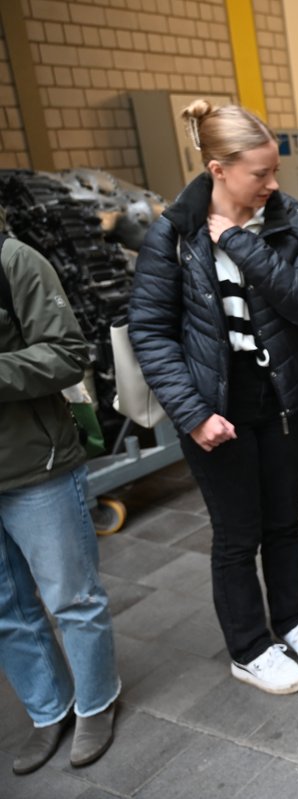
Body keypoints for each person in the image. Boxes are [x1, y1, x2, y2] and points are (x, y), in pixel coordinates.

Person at [129, 100, 298, 696]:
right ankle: (249, 646)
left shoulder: (285, 218)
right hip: (215, 408)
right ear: (218, 169)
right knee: (237, 533)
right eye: (260, 174)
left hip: (281, 398)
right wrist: (192, 416)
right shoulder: (172, 234)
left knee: (285, 522)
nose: (272, 184)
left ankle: (292, 619)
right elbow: (150, 330)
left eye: (274, 172)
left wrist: (244, 246)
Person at [0, 224, 121, 773]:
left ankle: (96, 701)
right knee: (6, 609)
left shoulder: (16, 261)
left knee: (70, 594)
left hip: (35, 464)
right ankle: (48, 709)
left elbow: (69, 353)